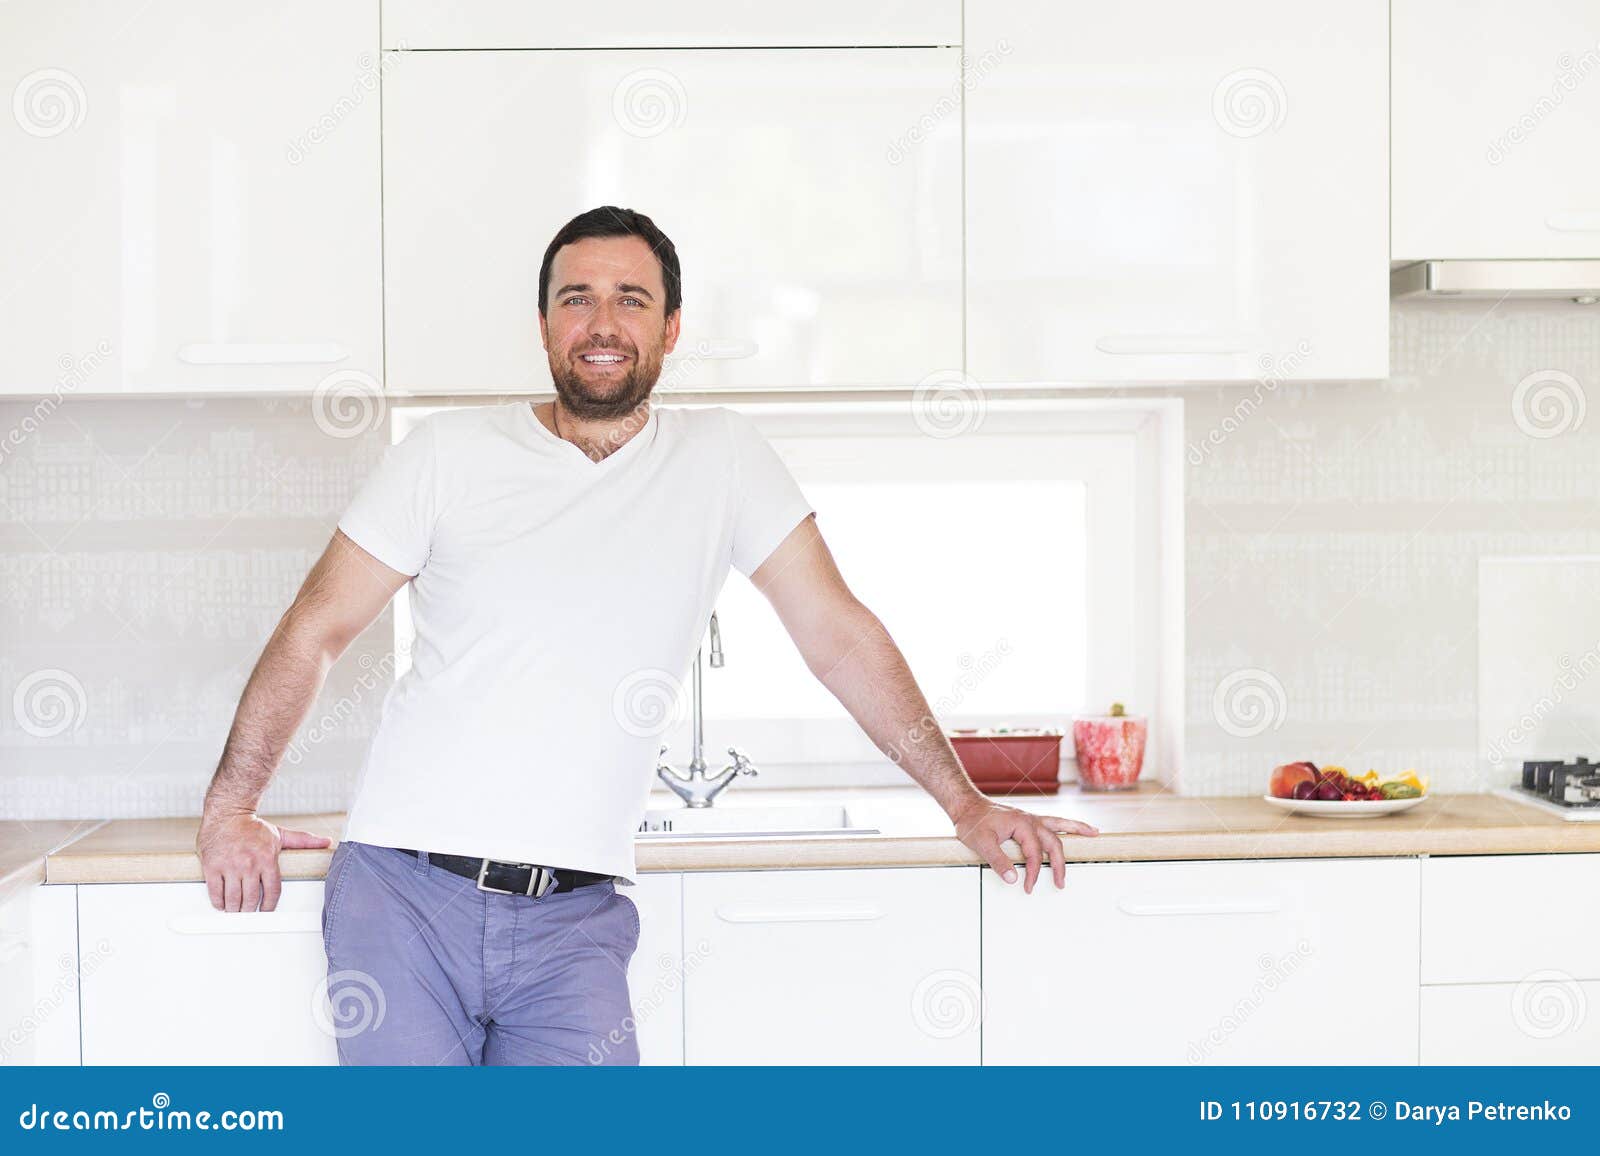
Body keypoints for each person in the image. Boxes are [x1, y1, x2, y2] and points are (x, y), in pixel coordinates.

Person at [195, 206, 1099, 1065]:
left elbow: (841, 638)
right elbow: (316, 628)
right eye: (575, 298)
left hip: (574, 923)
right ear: (543, 325)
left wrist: (965, 802)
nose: (601, 322)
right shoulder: (446, 454)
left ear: (670, 329)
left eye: (631, 299)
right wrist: (231, 806)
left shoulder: (725, 461)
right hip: (401, 897)